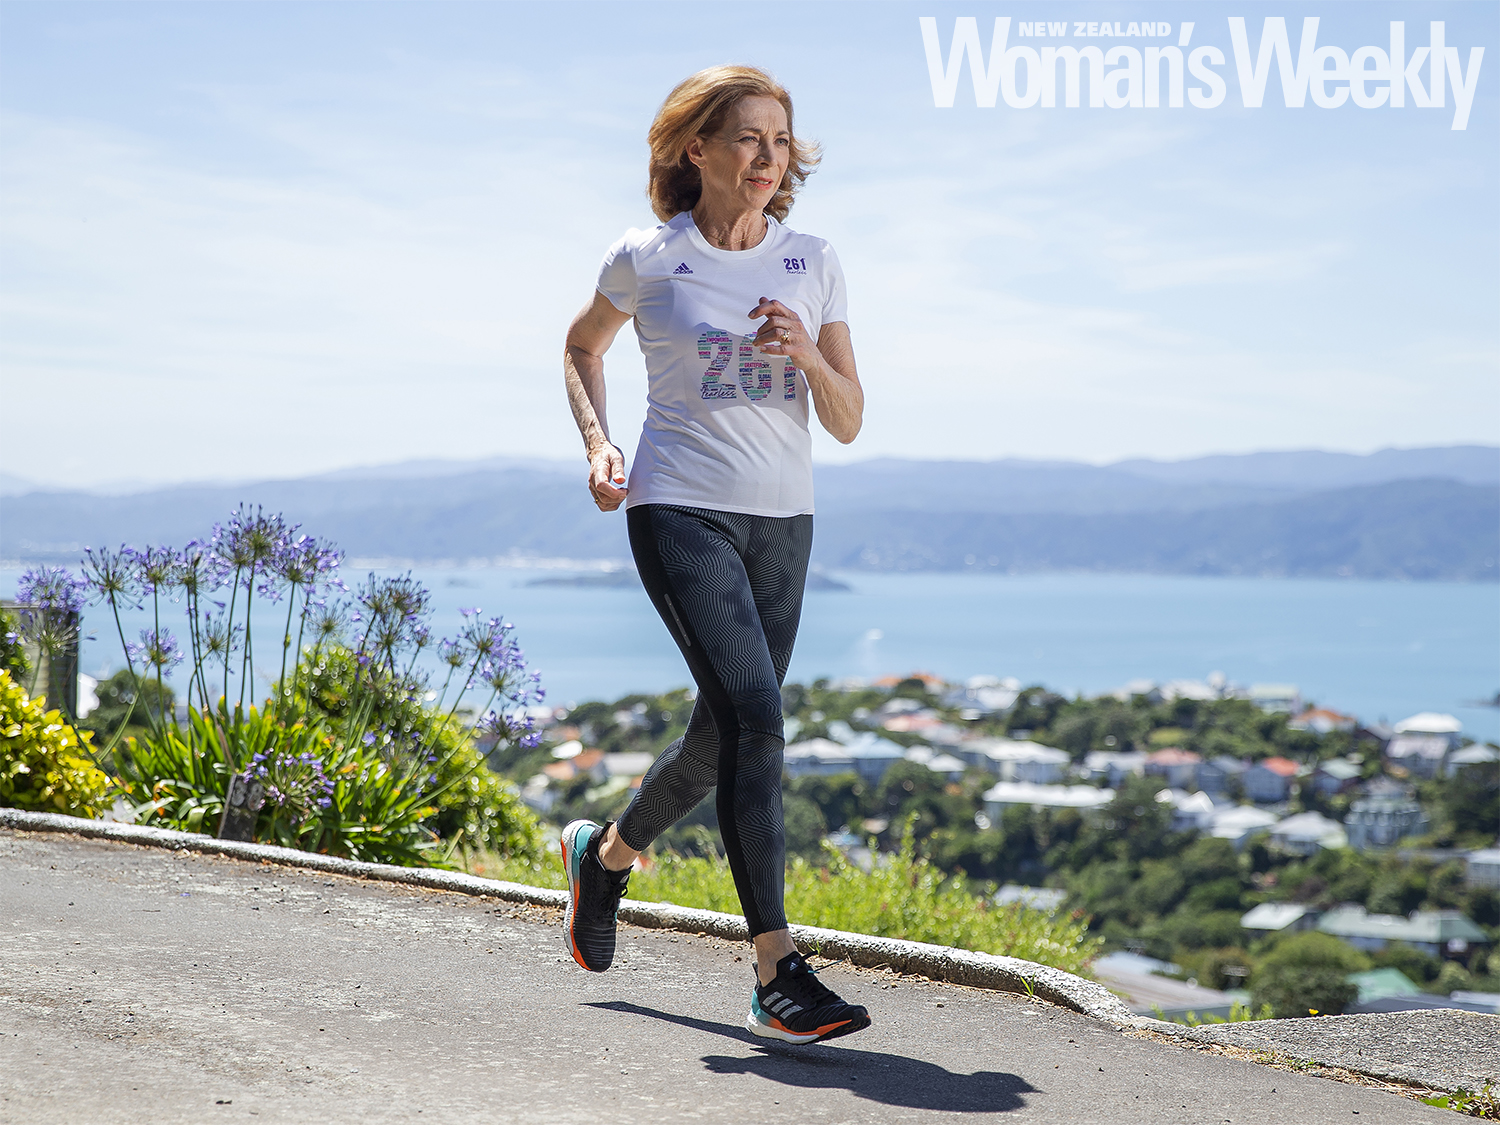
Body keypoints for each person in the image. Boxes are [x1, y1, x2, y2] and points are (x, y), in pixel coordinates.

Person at [559, 65, 869, 1044]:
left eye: (781, 140)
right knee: (759, 717)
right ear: (698, 150)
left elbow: (851, 420)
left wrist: (808, 356)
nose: (770, 157)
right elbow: (580, 348)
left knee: (723, 733)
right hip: (678, 506)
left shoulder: (812, 259)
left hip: (784, 521)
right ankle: (778, 969)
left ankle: (603, 857)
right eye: (749, 138)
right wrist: (599, 443)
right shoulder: (648, 257)